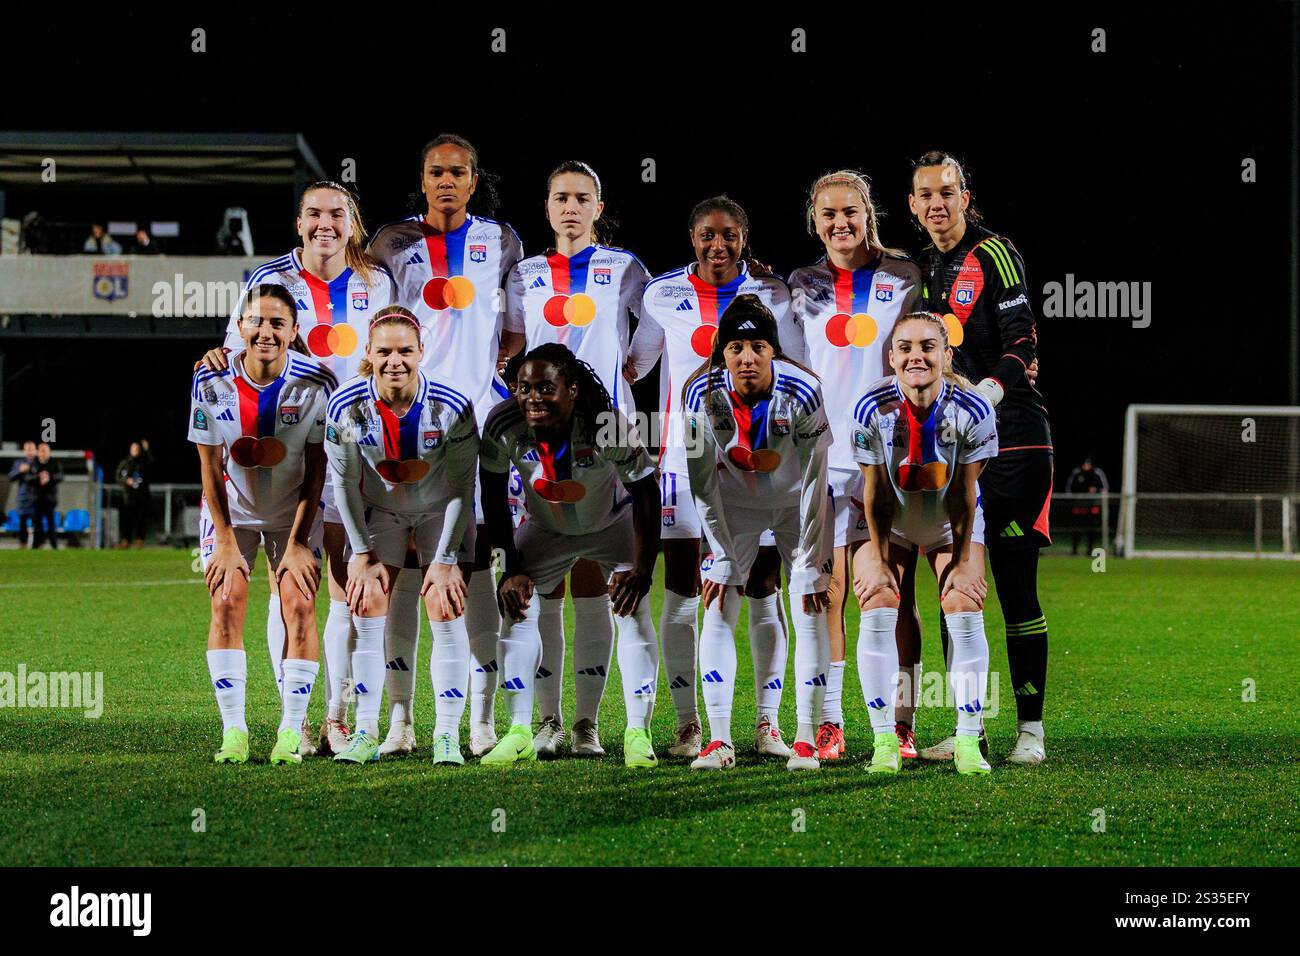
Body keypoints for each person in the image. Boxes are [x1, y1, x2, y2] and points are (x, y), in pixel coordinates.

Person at [198, 180, 397, 756]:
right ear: (299, 222)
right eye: (313, 213)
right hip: (283, 453)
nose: (325, 224)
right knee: (284, 589)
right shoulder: (270, 281)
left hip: (354, 449)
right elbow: (233, 351)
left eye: (337, 214)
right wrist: (214, 358)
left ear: (354, 223)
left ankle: (338, 715)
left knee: (339, 586)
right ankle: (304, 721)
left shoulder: (375, 282)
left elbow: (392, 345)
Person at [626, 195, 807, 760]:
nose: (718, 244)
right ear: (692, 237)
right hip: (685, 466)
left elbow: (797, 367)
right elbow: (634, 365)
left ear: (745, 237)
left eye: (729, 234)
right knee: (685, 595)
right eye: (707, 234)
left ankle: (765, 725)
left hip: (762, 472)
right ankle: (688, 727)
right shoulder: (662, 295)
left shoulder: (774, 295)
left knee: (761, 591)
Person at [368, 134, 524, 758]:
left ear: (473, 177)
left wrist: (477, 375)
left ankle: (480, 721)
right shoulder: (391, 243)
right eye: (436, 171)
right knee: (407, 568)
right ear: (423, 178)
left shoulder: (501, 241)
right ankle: (401, 722)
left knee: (477, 568)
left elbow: (511, 331)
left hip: (481, 427)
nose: (447, 181)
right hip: (404, 422)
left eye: (458, 172)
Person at [503, 160, 651, 757]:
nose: (570, 206)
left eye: (581, 197)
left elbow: (651, 331)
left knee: (595, 579)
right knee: (546, 586)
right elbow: (512, 344)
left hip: (604, 440)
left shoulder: (624, 267)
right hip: (539, 441)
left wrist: (622, 378)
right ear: (547, 207)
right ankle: (546, 720)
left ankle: (586, 724)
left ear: (598, 206)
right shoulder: (526, 273)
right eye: (560, 196)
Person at [910, 150, 1052, 765]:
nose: (937, 205)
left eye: (947, 192)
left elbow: (1025, 339)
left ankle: (1031, 732)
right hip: (954, 447)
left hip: (1016, 441)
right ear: (913, 206)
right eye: (925, 195)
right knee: (954, 589)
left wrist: (988, 393)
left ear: (965, 196)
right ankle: (971, 730)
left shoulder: (994, 254)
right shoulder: (922, 268)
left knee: (1017, 587)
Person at [788, 169, 925, 762]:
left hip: (890, 458)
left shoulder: (903, 277)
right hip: (822, 458)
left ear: (869, 213)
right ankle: (831, 722)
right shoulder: (800, 284)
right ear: (814, 222)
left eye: (850, 212)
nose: (840, 223)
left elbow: (923, 361)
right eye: (828, 215)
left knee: (895, 593)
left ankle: (901, 721)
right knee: (830, 590)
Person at [479, 343, 662, 768]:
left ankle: (637, 731)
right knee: (516, 604)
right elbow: (491, 493)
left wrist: (641, 568)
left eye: (546, 388)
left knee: (632, 609)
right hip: (546, 529)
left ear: (573, 390)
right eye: (524, 388)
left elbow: (646, 492)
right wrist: (510, 566)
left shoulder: (606, 425)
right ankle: (521, 730)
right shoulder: (503, 423)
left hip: (611, 525)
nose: (533, 398)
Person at [683, 294, 832, 771]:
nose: (746, 358)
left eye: (758, 347)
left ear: (774, 350)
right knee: (718, 601)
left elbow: (815, 479)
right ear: (721, 351)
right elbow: (701, 482)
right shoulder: (698, 395)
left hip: (796, 506)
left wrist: (809, 557)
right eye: (735, 348)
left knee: (807, 602)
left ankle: (802, 738)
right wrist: (722, 553)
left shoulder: (805, 390)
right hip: (736, 506)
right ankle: (719, 740)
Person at [324, 307, 479, 765]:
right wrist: (361, 552)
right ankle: (368, 730)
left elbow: (460, 489)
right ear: (368, 354)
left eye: (405, 351)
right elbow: (345, 484)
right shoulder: (345, 407)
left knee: (443, 601)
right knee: (367, 598)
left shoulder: (452, 406)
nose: (396, 360)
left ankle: (447, 734)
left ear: (421, 353)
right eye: (385, 351)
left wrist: (446, 558)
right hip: (385, 513)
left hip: (439, 512)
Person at [189, 284, 335, 765]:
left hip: (292, 511)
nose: (266, 331)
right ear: (240, 328)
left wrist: (296, 543)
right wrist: (226, 539)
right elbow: (209, 465)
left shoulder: (317, 383)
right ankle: (234, 731)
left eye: (278, 323)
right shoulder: (210, 380)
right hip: (232, 511)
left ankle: (291, 732)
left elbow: (318, 468)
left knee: (298, 604)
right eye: (257, 321)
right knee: (226, 602)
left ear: (295, 332)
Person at [849, 312, 997, 775]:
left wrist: (964, 561)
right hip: (889, 521)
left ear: (945, 354)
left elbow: (964, 494)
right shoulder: (870, 406)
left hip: (947, 520)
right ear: (891, 357)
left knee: (962, 602)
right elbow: (873, 494)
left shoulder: (973, 409)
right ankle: (885, 740)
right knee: (879, 596)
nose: (917, 356)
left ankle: (969, 740)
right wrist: (877, 556)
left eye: (928, 347)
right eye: (906, 347)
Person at [1067, 457, 1109, 555]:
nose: (1086, 466)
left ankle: (1090, 550)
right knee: (1076, 529)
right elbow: (1069, 488)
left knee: (1091, 530)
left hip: (1092, 507)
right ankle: (1074, 550)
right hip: (1079, 507)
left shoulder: (1097, 473)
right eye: (1085, 465)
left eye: (1088, 465)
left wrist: (1096, 491)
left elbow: (1104, 489)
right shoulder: (1076, 473)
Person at [116, 439, 153, 547]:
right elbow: (118, 476)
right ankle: (126, 540)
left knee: (140, 519)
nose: (135, 450)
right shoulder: (125, 463)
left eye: (137, 448)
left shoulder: (143, 462)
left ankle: (139, 540)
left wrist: (147, 450)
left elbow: (151, 463)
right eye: (134, 448)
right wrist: (126, 481)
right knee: (127, 519)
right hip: (128, 497)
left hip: (142, 497)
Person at [31, 443, 63, 549]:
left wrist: (49, 478)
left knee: (51, 524)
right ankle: (36, 546)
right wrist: (38, 478)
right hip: (37, 500)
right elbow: (27, 478)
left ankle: (54, 546)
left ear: (49, 452)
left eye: (45, 450)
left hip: (50, 500)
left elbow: (60, 477)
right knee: (37, 525)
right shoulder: (33, 463)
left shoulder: (55, 463)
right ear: (38, 452)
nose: (43, 453)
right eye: (41, 450)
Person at [7, 441, 38, 548]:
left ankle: (37, 544)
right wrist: (20, 470)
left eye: (32, 449)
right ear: (24, 451)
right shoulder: (19, 462)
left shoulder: (39, 462)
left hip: (37, 497)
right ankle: (23, 545)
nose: (30, 451)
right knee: (22, 522)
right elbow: (11, 477)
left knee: (37, 523)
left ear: (36, 450)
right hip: (23, 497)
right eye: (28, 449)